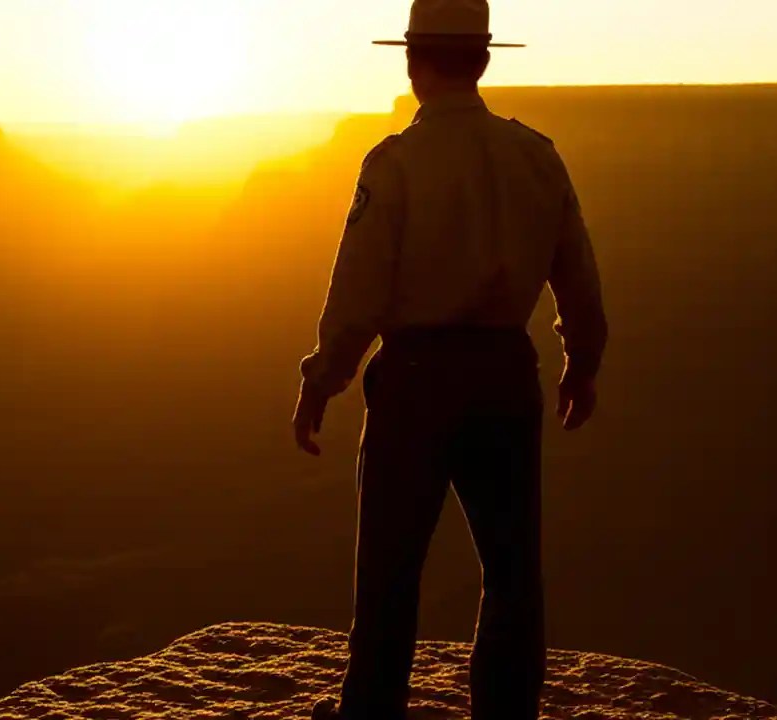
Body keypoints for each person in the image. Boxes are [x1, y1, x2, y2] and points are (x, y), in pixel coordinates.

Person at [292, 1, 607, 718]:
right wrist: (581, 361)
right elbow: (578, 275)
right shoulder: (537, 155)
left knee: (391, 568)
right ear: (485, 60)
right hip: (505, 372)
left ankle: (371, 710)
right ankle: (506, 711)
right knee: (511, 566)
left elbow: (358, 294)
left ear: (413, 62)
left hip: (415, 380)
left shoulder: (394, 162)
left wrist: (322, 380)